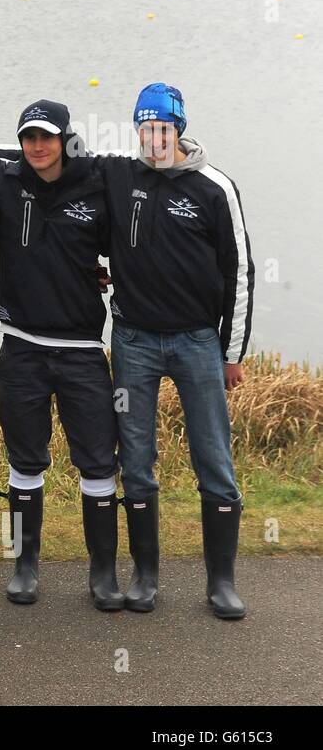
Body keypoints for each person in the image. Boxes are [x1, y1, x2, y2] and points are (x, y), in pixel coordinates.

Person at [103, 83, 253, 619]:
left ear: (179, 129)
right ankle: (145, 578)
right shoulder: (120, 175)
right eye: (145, 129)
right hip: (134, 340)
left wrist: (231, 352)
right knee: (137, 462)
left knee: (214, 460)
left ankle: (221, 584)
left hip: (197, 343)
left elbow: (240, 273)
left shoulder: (216, 188)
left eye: (163, 129)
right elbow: (55, 171)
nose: (154, 140)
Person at [0, 101, 124, 609]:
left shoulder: (96, 183)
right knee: (25, 462)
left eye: (47, 137)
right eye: (28, 138)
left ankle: (103, 575)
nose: (37, 147)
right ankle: (24, 566)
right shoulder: (5, 179)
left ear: (66, 138)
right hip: (21, 348)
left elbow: (128, 245)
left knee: (99, 465)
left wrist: (114, 274)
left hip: (82, 350)